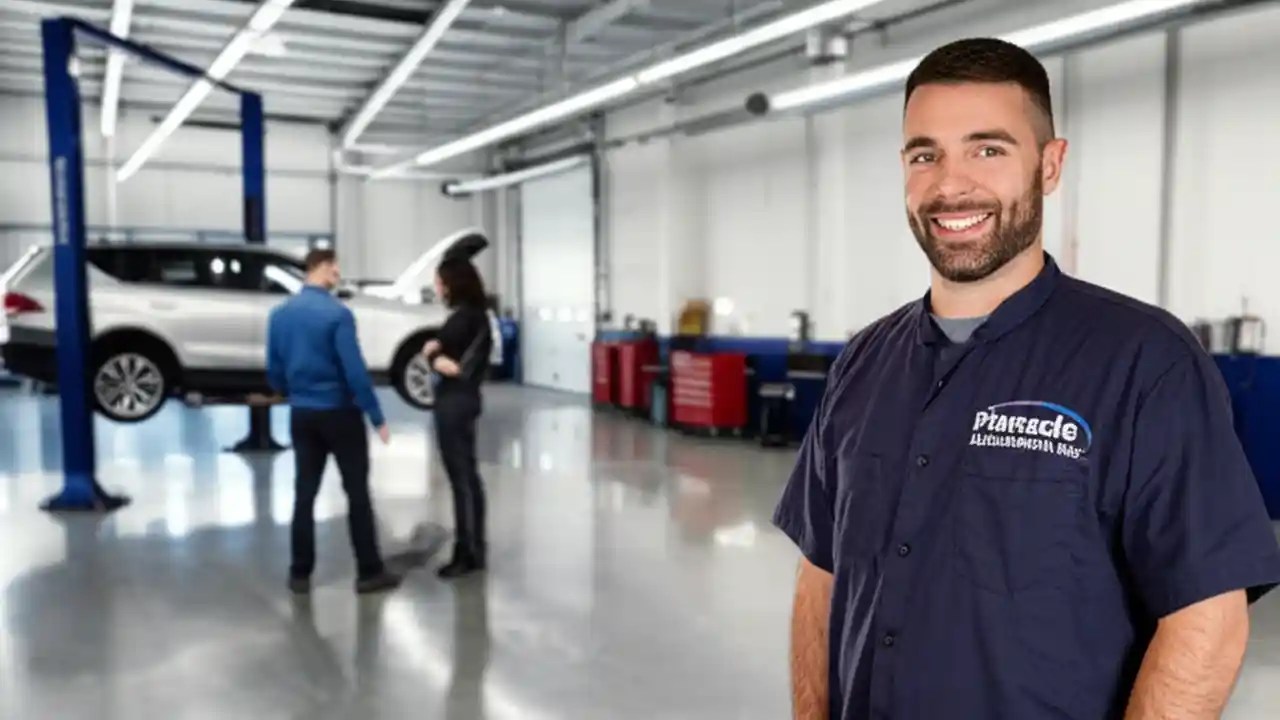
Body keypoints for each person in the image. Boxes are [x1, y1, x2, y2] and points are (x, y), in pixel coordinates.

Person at [772, 37, 1280, 720]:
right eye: (926, 154)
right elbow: (821, 577)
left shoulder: (1144, 360)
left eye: (988, 149)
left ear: (1050, 164)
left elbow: (1206, 618)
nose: (951, 184)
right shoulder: (863, 363)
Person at [267, 248, 401, 595]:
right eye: (334, 267)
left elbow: (274, 371)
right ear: (320, 268)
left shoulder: (280, 315)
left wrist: (291, 390)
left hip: (303, 415)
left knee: (304, 495)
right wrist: (376, 416)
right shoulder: (337, 315)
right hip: (340, 414)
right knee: (357, 493)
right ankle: (369, 572)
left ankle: (300, 574)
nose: (338, 272)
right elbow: (354, 371)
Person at [422, 256, 493, 579]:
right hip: (468, 398)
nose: (437, 287)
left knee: (461, 479)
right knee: (468, 478)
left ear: (452, 283)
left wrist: (432, 352)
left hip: (454, 401)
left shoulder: (461, 319)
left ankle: (466, 553)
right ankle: (475, 547)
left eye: (439, 281)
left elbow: (447, 363)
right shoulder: (478, 317)